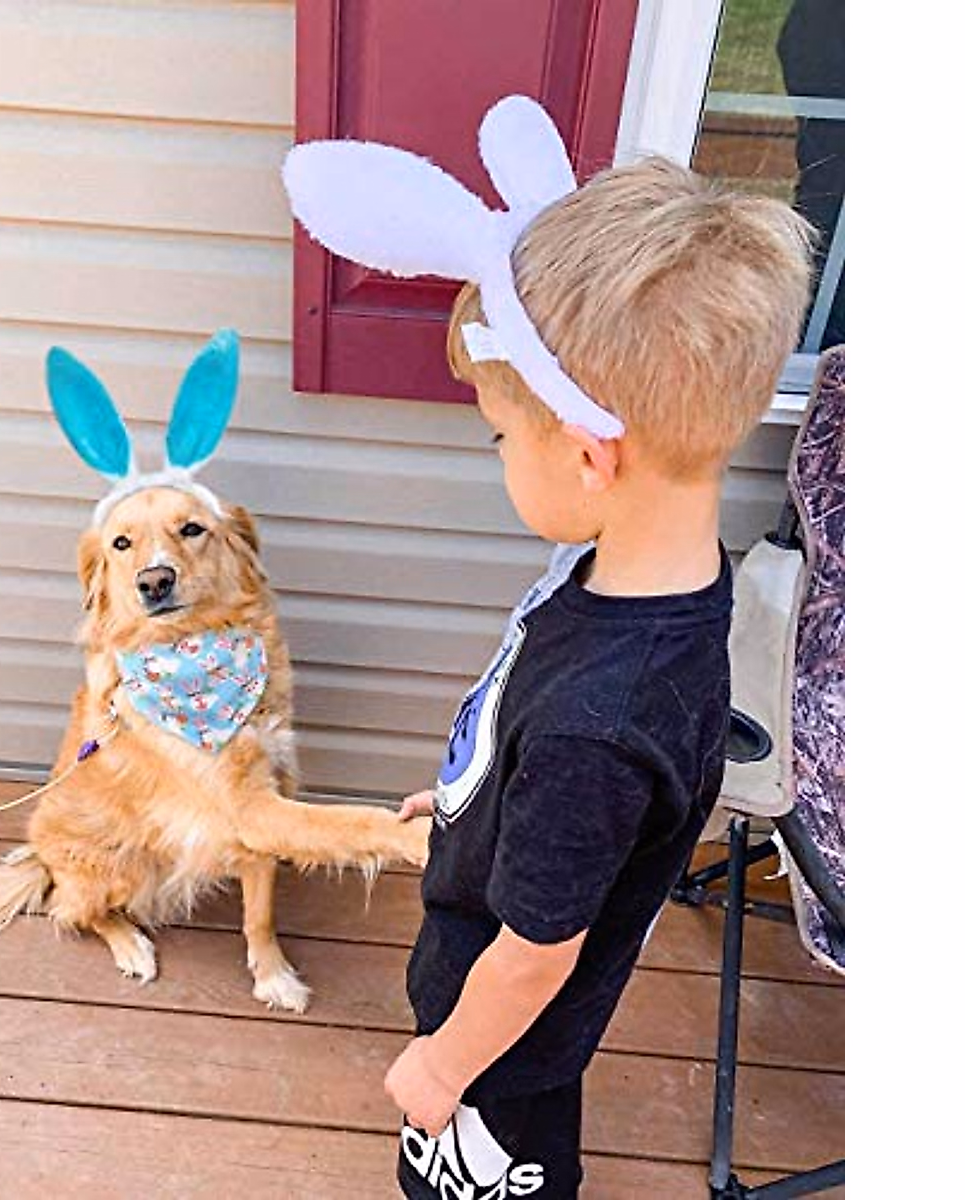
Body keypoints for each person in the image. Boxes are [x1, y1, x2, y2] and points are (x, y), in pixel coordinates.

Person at [384, 157, 814, 1198]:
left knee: (479, 1174)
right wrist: (469, 798)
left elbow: (533, 955)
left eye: (498, 434)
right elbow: (539, 749)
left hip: (498, 1042)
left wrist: (443, 1064)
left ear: (586, 459)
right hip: (496, 973)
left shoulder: (598, 731)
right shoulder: (652, 582)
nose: (495, 454)